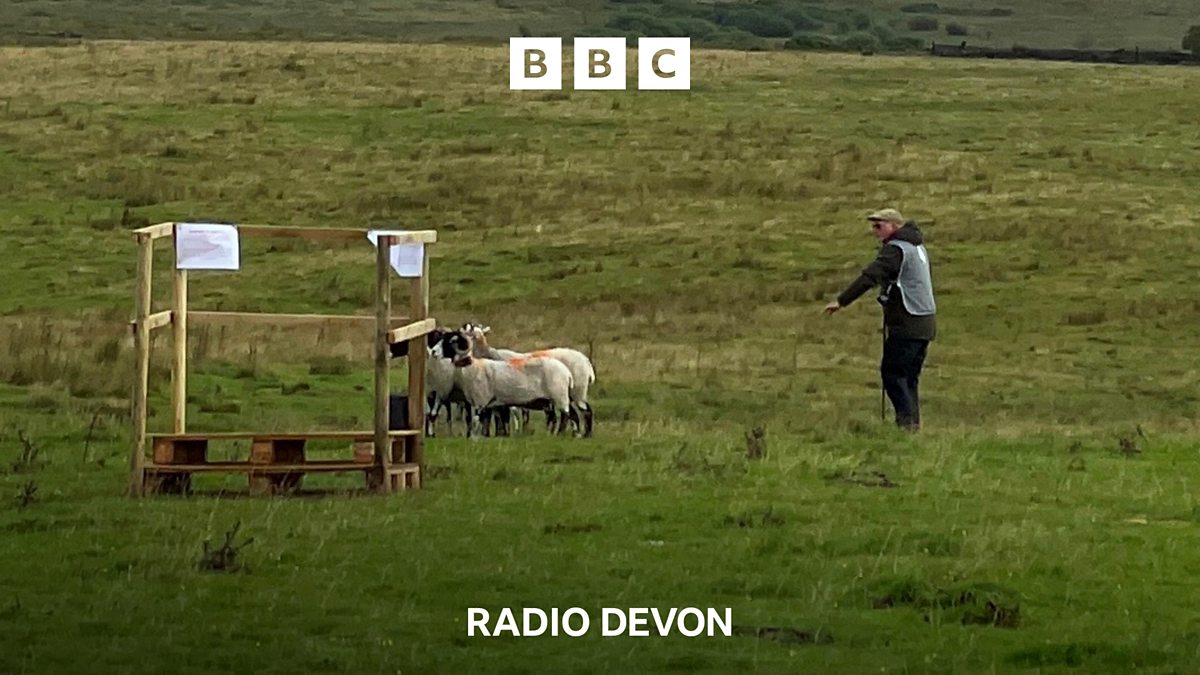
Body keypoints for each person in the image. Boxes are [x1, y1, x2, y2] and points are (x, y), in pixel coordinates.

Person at [824, 208, 937, 431]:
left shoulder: (896, 249)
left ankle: (906, 425)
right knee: (909, 377)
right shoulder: (917, 246)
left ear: (894, 226)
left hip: (907, 321)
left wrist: (842, 301)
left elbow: (871, 276)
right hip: (925, 321)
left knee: (893, 374)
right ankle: (912, 425)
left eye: (879, 226)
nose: (875, 231)